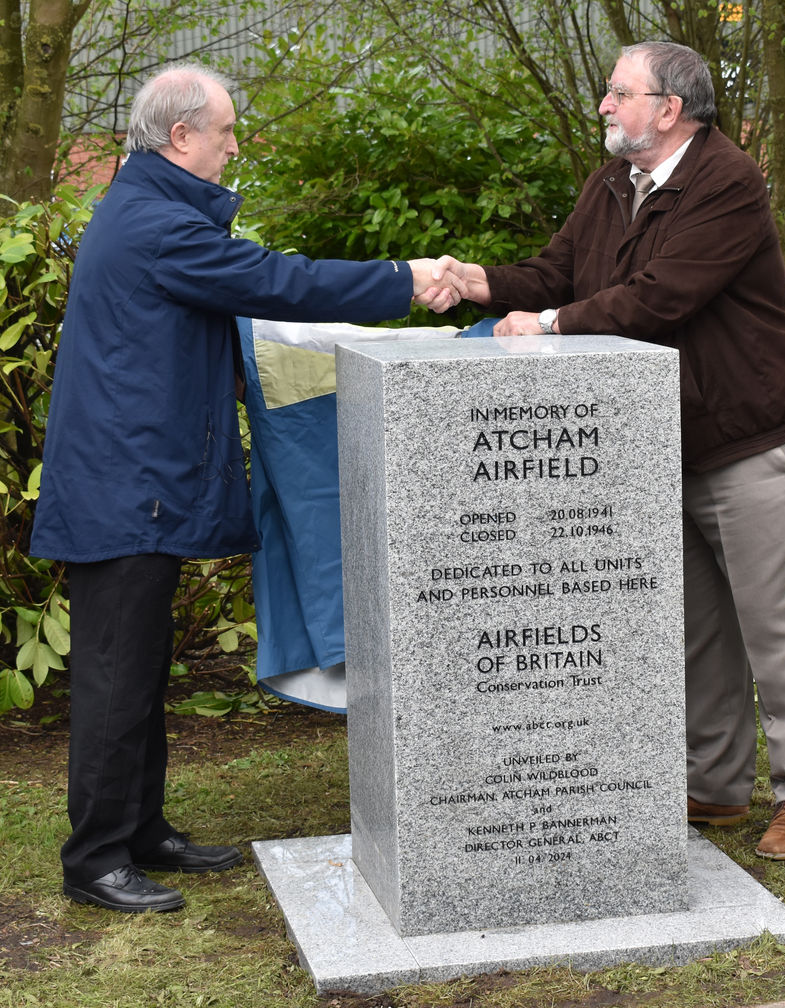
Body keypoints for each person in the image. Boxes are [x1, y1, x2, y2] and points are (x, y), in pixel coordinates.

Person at [30, 63, 465, 913]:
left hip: (135, 478)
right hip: (125, 487)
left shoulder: (149, 210)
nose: (234, 144)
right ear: (180, 135)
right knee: (117, 677)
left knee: (142, 669)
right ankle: (94, 859)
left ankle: (140, 829)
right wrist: (405, 278)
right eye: (225, 130)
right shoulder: (158, 224)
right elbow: (278, 281)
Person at [430, 41, 785, 860]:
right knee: (697, 629)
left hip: (746, 434)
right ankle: (719, 788)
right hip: (658, 441)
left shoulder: (727, 181)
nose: (606, 106)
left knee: (773, 626)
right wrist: (482, 284)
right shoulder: (613, 181)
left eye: (620, 93)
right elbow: (560, 269)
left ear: (669, 110)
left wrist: (544, 326)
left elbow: (662, 297)